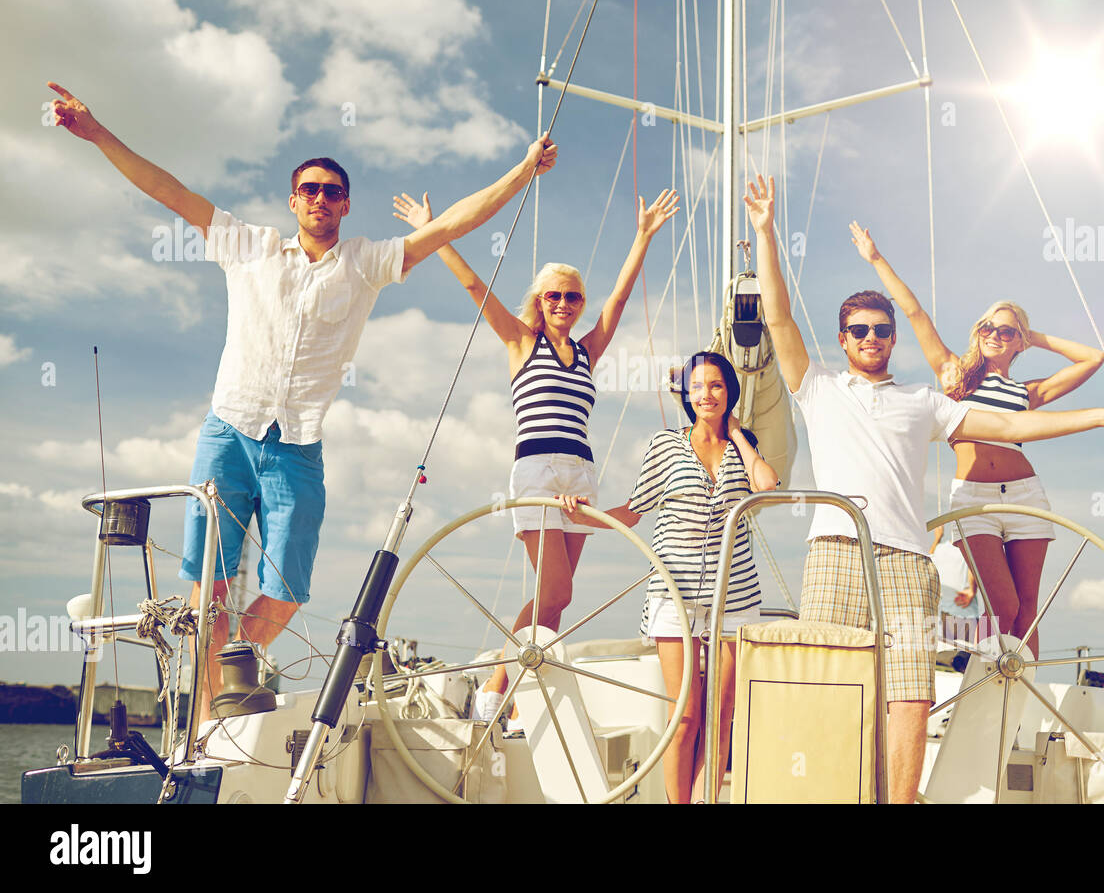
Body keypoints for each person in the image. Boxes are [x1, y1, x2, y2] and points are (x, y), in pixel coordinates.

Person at [47, 81, 558, 723]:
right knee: (210, 589)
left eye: (332, 191)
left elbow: (459, 219)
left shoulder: (367, 263)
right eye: (309, 189)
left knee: (285, 590)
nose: (320, 198)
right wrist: (97, 133)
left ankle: (231, 669)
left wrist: (523, 168)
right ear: (293, 200)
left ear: (346, 205)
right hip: (228, 430)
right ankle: (209, 725)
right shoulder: (249, 245)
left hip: (297, 447)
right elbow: (166, 188)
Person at [744, 175, 1104, 803]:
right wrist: (766, 233)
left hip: (909, 563)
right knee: (828, 679)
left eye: (882, 330)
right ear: (842, 339)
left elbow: (1014, 424)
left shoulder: (925, 402)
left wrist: (1097, 418)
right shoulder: (817, 387)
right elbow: (777, 317)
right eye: (859, 330)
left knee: (909, 693)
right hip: (834, 553)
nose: (873, 339)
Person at [393, 187, 678, 723]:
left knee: (558, 602)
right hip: (539, 472)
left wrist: (642, 237)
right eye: (554, 296)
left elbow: (617, 303)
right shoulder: (523, 343)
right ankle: (496, 687)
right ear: (540, 300)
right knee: (556, 590)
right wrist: (433, 233)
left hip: (581, 472)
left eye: (572, 297)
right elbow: (476, 286)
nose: (564, 305)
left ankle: (503, 684)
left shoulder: (587, 353)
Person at [852, 224, 1104, 660]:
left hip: (1026, 498)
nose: (995, 334)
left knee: (1027, 613)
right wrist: (876, 258)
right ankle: (950, 645)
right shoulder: (954, 375)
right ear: (978, 330)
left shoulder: (1028, 392)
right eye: (990, 326)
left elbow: (1094, 358)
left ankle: (1019, 709)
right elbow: (914, 314)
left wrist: (1035, 336)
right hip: (973, 499)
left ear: (1017, 341)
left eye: (1007, 332)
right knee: (1003, 607)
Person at [557, 352, 779, 803]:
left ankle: (707, 799)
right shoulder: (665, 445)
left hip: (733, 595)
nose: (706, 394)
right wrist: (584, 514)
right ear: (686, 394)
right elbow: (633, 511)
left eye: (716, 385)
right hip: (672, 594)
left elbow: (768, 486)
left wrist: (737, 433)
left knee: (722, 713)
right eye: (697, 387)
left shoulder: (744, 442)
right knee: (685, 715)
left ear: (729, 391)